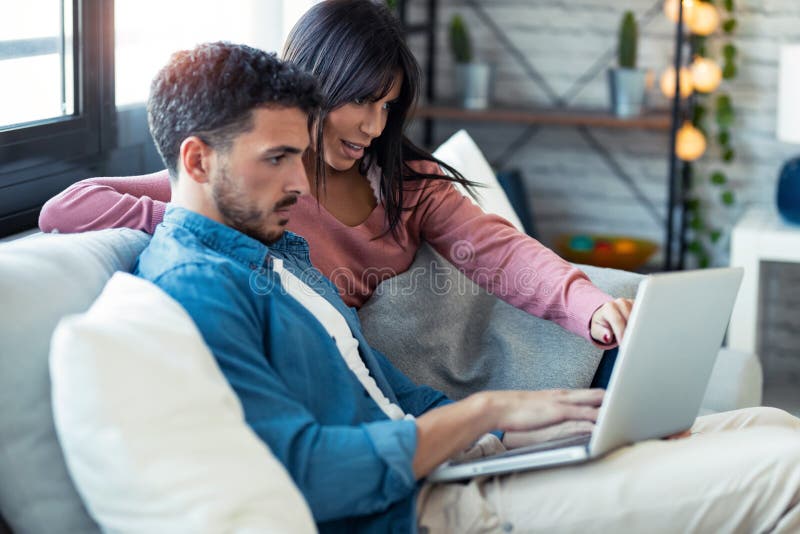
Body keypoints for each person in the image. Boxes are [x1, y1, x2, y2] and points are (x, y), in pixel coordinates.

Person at [137, 41, 800, 534]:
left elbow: (408, 388)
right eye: (279, 158)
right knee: (789, 467)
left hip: (458, 464)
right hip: (416, 507)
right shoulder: (203, 286)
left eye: (299, 154)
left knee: (774, 423)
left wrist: (529, 433)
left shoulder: (282, 254)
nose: (301, 182)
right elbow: (312, 473)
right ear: (197, 160)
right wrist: (486, 415)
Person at [39, 0, 632, 356]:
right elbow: (67, 208)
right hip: (382, 382)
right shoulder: (253, 188)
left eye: (388, 107)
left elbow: (498, 252)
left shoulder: (405, 182)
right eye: (362, 102)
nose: (375, 126)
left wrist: (587, 304)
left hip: (493, 348)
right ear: (316, 81)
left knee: (625, 332)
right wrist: (205, 220)